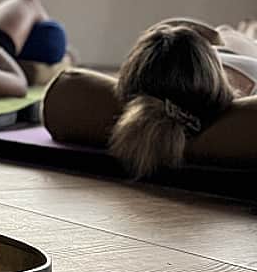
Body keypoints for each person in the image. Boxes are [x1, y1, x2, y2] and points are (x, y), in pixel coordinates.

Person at [109, 19, 257, 177]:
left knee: (232, 32)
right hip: (219, 51)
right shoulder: (196, 69)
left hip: (220, 50)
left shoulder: (166, 76)